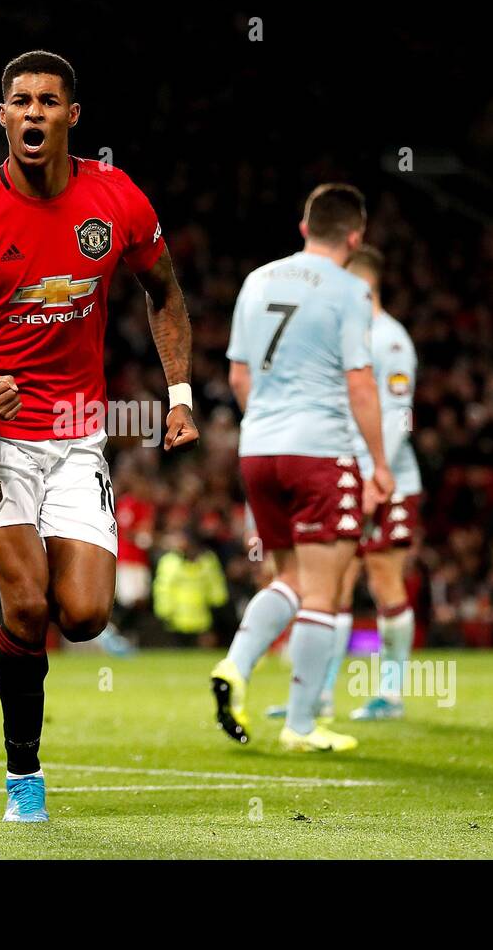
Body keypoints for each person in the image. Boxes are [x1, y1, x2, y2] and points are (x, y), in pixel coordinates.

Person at [0, 51, 198, 821]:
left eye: (50, 101)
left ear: (72, 116)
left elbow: (166, 292)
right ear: (3, 115)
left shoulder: (117, 200)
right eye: (22, 101)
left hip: (78, 433)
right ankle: (24, 778)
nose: (36, 113)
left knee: (83, 616)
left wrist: (179, 395)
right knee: (28, 605)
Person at [210, 184, 392, 753]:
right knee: (323, 590)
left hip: (258, 449)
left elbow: (239, 377)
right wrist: (380, 463)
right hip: (318, 450)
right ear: (355, 237)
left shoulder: (257, 280)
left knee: (287, 576)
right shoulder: (350, 290)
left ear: (303, 226)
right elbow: (360, 385)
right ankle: (302, 724)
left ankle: (236, 667)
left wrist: (267, 424)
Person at [264, 244, 421, 722]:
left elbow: (399, 414)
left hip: (387, 479)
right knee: (334, 583)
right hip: (346, 474)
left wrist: (377, 473)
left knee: (384, 579)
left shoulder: (391, 339)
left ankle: (391, 695)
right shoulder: (346, 334)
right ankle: (320, 695)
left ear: (362, 285)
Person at [152, 528, 227, 643]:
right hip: (175, 621)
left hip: (202, 620)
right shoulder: (170, 562)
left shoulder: (208, 562)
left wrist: (218, 606)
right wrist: (164, 611)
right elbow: (163, 588)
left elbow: (217, 589)